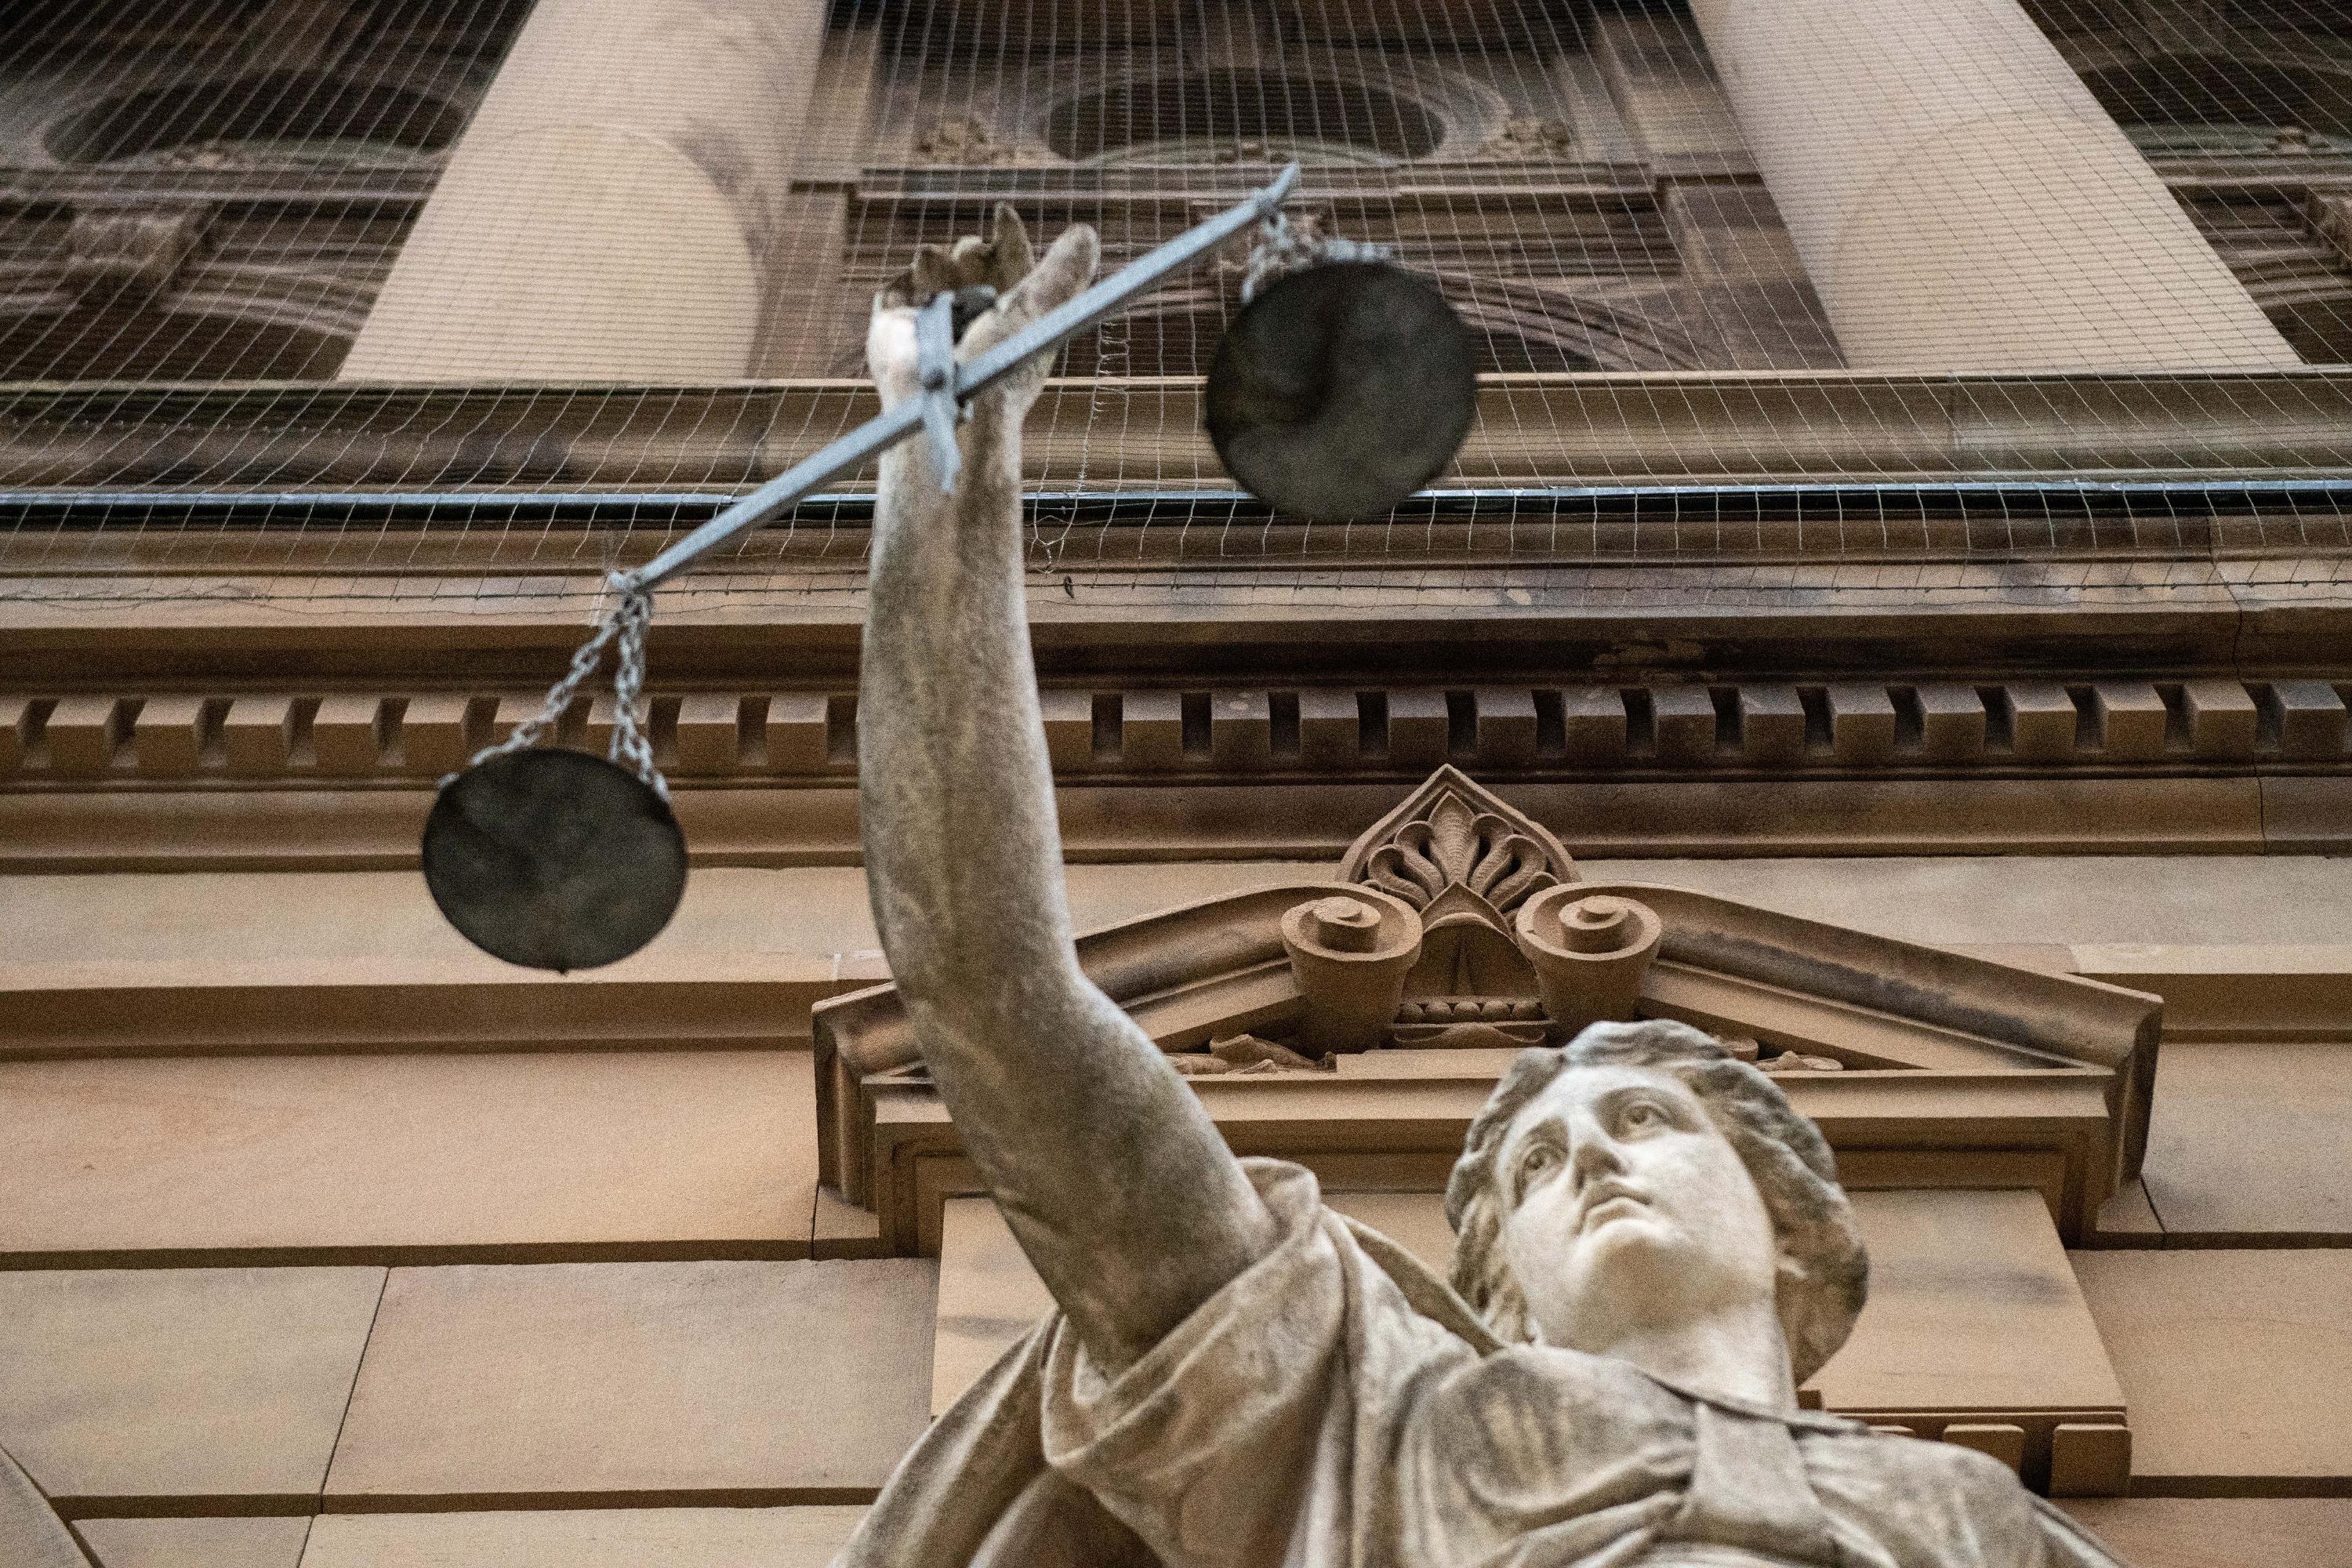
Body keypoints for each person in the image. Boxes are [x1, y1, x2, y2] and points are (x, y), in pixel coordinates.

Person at [839, 209, 2129, 1568]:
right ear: (1503, 1291)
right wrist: (950, 460)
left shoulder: (1978, 1521)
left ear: (1791, 1223)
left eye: (1643, 1117)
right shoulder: (1385, 1423)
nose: (1594, 1162)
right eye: (1538, 1166)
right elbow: (997, 991)